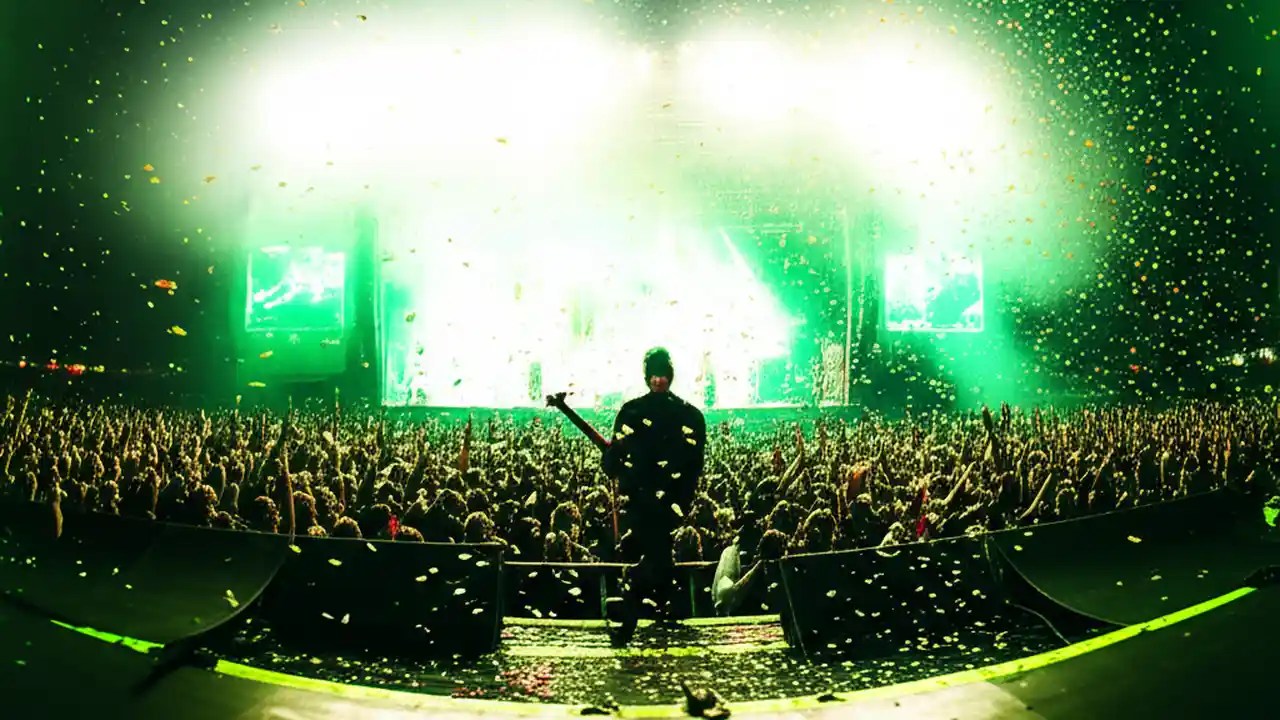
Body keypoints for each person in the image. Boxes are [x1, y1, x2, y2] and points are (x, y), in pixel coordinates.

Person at [601, 347, 706, 645]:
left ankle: (635, 605)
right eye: (655, 375)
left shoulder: (639, 413)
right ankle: (653, 609)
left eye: (662, 374)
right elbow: (616, 459)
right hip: (653, 502)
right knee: (659, 559)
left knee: (657, 559)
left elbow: (693, 464)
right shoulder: (681, 415)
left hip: (658, 503)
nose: (659, 380)